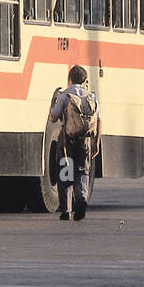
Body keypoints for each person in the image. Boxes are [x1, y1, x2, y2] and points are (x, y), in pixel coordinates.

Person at [49, 65, 98, 221]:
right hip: (85, 140)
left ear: (69, 79)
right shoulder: (91, 96)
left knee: (66, 171)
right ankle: (81, 199)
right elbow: (99, 119)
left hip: (67, 141)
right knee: (82, 171)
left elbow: (53, 117)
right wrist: (96, 142)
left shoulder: (65, 96)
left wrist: (53, 101)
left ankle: (66, 210)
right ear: (84, 80)